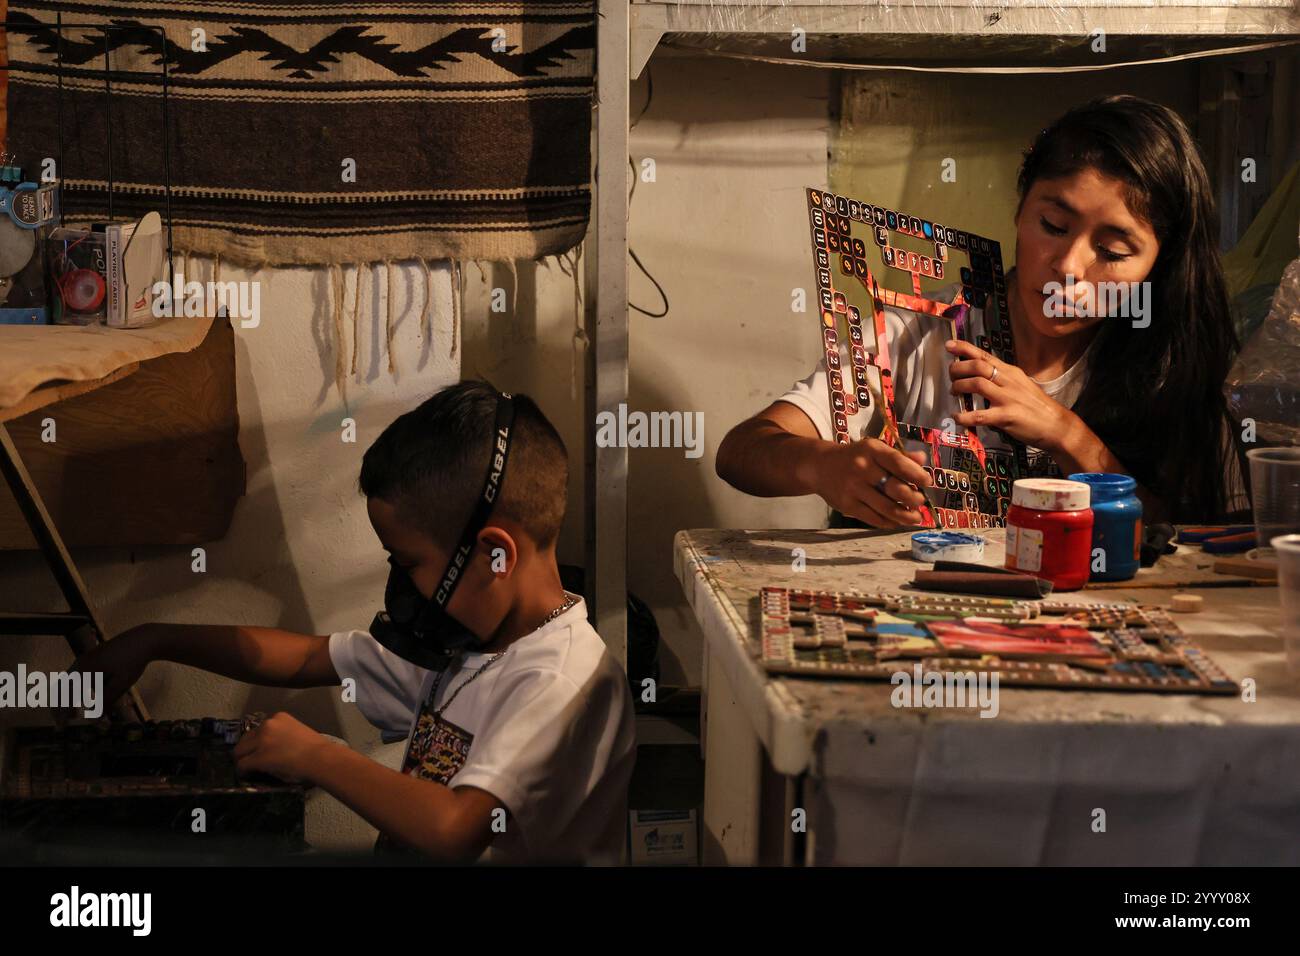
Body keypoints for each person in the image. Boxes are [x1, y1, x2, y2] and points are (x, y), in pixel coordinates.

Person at [72, 381, 636, 864]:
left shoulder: (562, 681)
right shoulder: (466, 648)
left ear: (494, 555)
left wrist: (319, 756)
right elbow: (307, 658)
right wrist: (153, 641)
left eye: (409, 564)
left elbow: (457, 828)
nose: (400, 583)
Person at [717, 95, 1248, 528]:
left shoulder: (1173, 364)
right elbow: (741, 451)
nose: (1068, 266)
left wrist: (1068, 435)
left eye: (1111, 252)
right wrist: (821, 464)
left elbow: (1194, 535)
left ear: (1159, 265)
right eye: (1053, 226)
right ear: (1020, 211)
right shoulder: (917, 334)